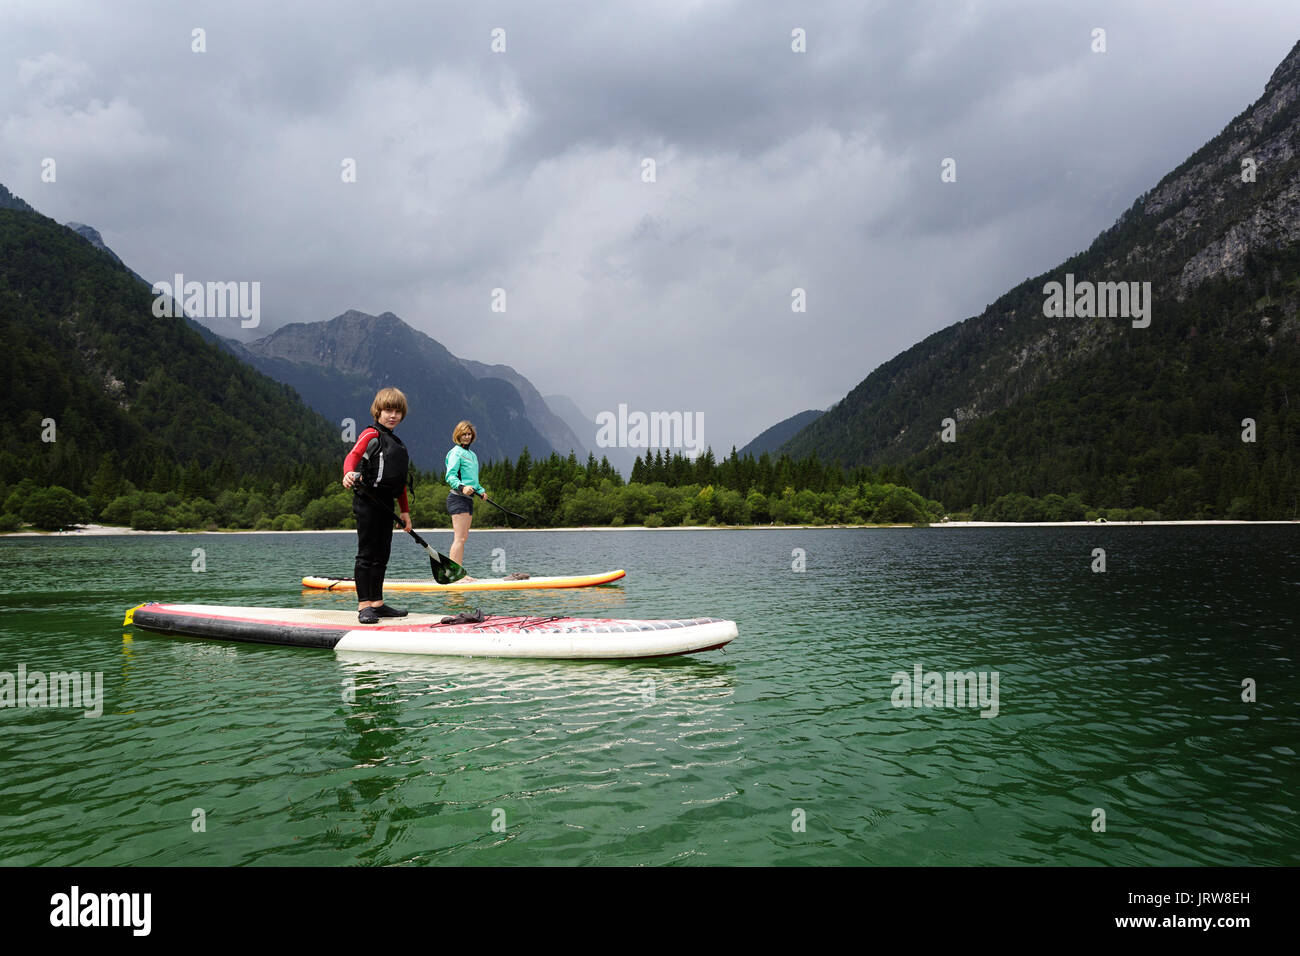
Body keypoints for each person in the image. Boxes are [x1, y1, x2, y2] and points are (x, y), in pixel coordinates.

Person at [342, 388, 412, 624]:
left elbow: (399, 482)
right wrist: (348, 473)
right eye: (388, 410)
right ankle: (364, 607)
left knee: (382, 554)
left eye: (397, 411)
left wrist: (405, 512)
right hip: (367, 501)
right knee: (367, 554)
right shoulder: (370, 434)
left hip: (387, 504)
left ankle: (378, 604)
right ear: (378, 411)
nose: (393, 415)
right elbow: (353, 456)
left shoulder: (397, 443)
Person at [445, 420, 486, 577]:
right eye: (464, 434)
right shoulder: (456, 452)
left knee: (464, 537)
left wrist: (481, 491)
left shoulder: (472, 455)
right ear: (458, 435)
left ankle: (458, 572)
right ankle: (453, 575)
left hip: (468, 499)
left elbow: (472, 481)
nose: (467, 437)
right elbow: (450, 476)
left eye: (469, 434)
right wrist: (462, 487)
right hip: (457, 498)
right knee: (459, 538)